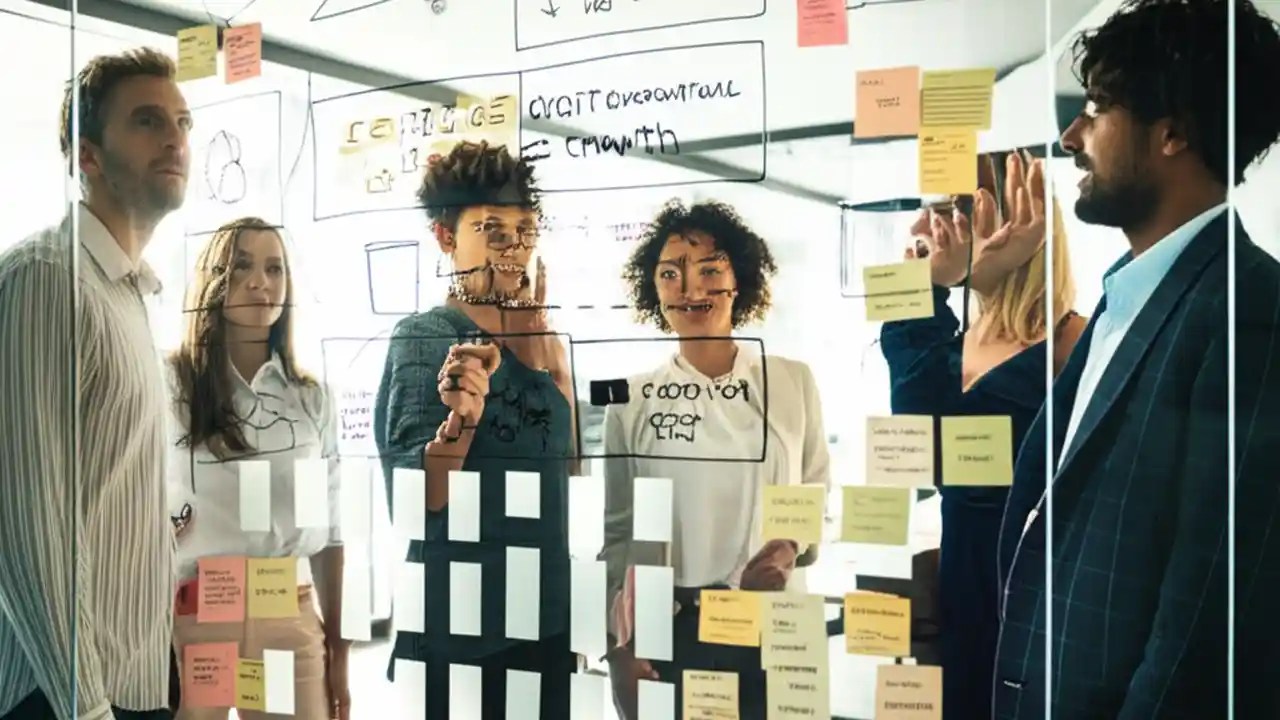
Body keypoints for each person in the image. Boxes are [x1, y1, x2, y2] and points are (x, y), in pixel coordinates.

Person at [995, 1, 1280, 717]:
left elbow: (1211, 611)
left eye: (1096, 109)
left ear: (1173, 132)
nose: (1070, 137)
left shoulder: (1253, 308)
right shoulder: (1127, 297)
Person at [0, 48, 190, 720]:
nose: (175, 138)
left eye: (182, 121)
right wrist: (86, 706)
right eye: (147, 121)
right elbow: (30, 525)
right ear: (88, 157)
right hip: (63, 696)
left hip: (130, 684)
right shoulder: (47, 278)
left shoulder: (131, 295)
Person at [600, 199, 831, 720]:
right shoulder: (630, 399)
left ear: (740, 281)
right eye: (671, 274)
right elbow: (618, 534)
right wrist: (619, 645)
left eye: (710, 269)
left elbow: (816, 487)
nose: (691, 288)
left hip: (777, 626)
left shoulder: (792, 381)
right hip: (675, 631)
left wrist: (792, 544)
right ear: (654, 291)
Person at [880, 151, 1086, 720]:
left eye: (950, 211)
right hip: (963, 592)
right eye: (928, 212)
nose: (927, 229)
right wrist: (922, 286)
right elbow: (919, 445)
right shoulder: (951, 339)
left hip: (1040, 601)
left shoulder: (1075, 344)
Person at [374, 140, 576, 719]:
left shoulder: (544, 338)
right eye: (491, 229)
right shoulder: (426, 337)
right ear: (445, 237)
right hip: (459, 636)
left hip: (546, 626)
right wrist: (462, 420)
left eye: (524, 230)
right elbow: (416, 499)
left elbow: (567, 479)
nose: (513, 247)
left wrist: (548, 362)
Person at [165, 217, 351, 720]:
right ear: (213, 280)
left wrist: (340, 656)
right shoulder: (170, 385)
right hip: (198, 615)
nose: (260, 282)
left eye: (275, 268)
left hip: (286, 613)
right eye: (241, 265)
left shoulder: (310, 398)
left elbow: (331, 536)